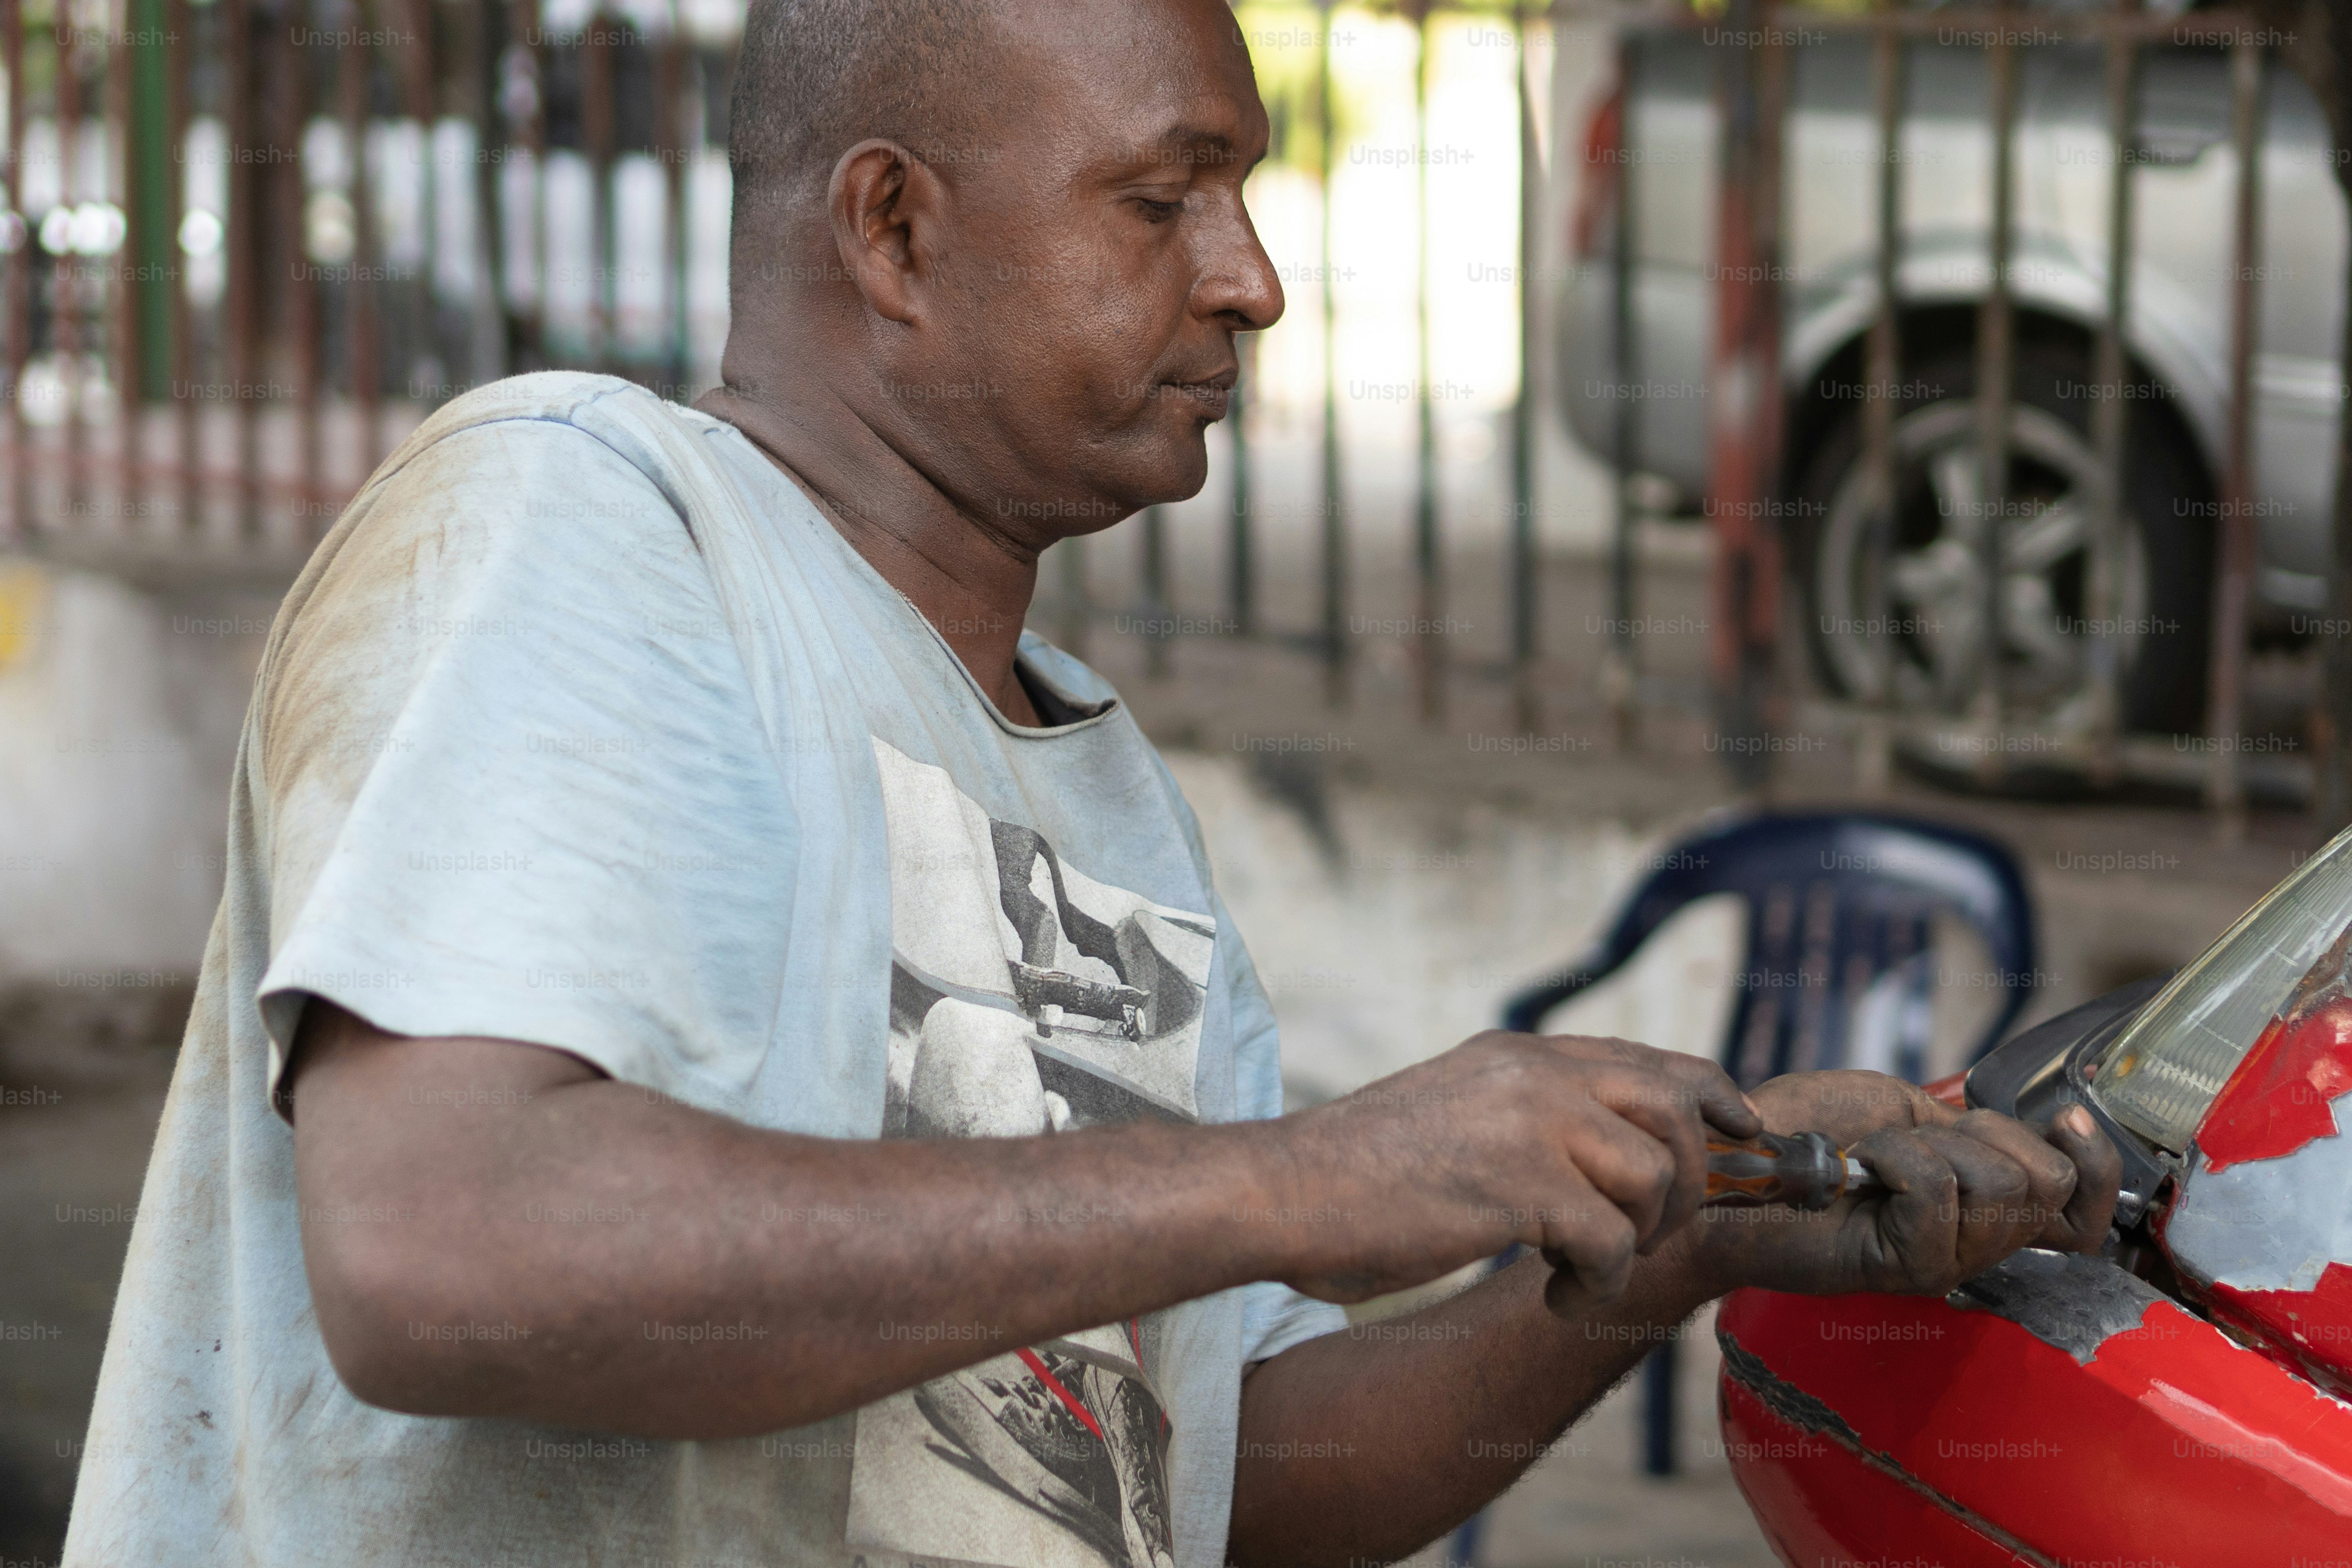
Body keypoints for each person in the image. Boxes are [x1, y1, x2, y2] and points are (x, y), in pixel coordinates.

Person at [63, 0, 2120, 1563]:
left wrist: (1660, 1242)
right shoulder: (591, 518)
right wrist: (1302, 1176)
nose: (1250, 279)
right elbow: (455, 1249)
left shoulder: (1110, 803)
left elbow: (1203, 1476)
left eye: (1238, 200)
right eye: (1163, 198)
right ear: (892, 226)